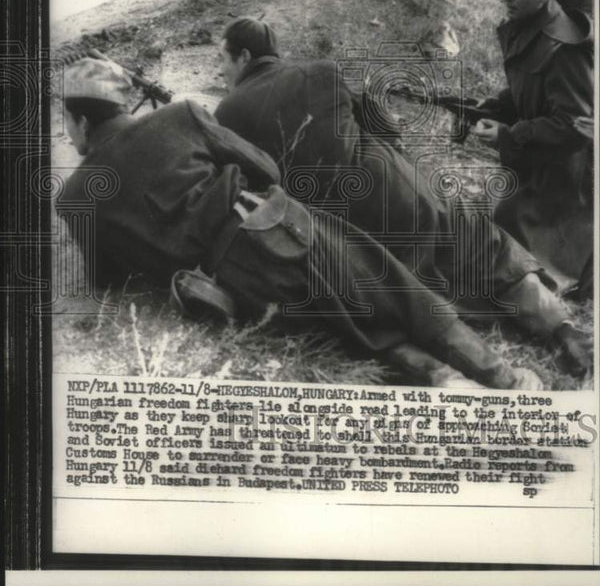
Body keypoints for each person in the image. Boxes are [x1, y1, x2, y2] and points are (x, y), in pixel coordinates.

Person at [59, 57, 546, 391]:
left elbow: (107, 279)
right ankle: (503, 379)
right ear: (121, 104)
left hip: (229, 283)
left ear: (80, 121)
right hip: (280, 223)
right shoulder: (181, 115)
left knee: (350, 332)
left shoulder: (75, 197)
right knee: (398, 295)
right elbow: (267, 167)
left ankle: (446, 383)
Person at [213, 17, 591, 378]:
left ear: (244, 56)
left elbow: (254, 184)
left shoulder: (227, 112)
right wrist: (397, 165)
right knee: (479, 242)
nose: (220, 71)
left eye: (222, 60)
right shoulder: (322, 71)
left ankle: (449, 364)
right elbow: (382, 123)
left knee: (390, 298)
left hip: (340, 228)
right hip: (394, 187)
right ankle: (563, 329)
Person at [473, 0, 594, 300]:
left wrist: (510, 134)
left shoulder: (564, 46)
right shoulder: (527, 28)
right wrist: (496, 106)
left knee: (509, 252)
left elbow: (575, 125)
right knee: (489, 238)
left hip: (567, 176)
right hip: (537, 161)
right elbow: (531, 87)